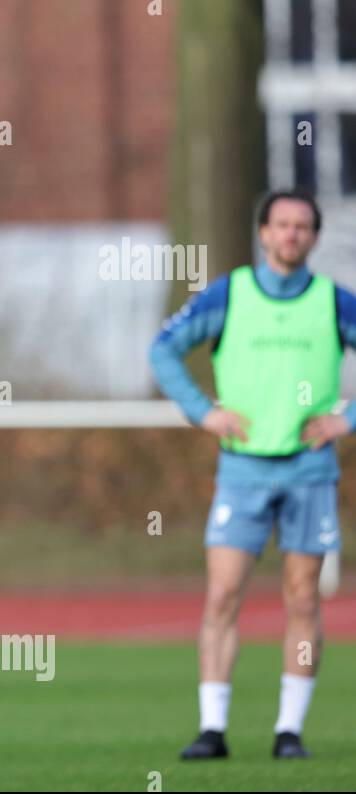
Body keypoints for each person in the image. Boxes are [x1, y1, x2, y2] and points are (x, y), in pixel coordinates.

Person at [150, 190, 355, 760]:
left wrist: (347, 419)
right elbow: (164, 349)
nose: (292, 234)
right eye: (282, 224)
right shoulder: (229, 294)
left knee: (303, 599)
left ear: (313, 237)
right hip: (241, 471)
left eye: (303, 226)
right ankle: (212, 729)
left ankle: (289, 731)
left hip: (311, 470)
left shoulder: (333, 302)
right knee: (221, 595)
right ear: (263, 233)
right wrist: (203, 411)